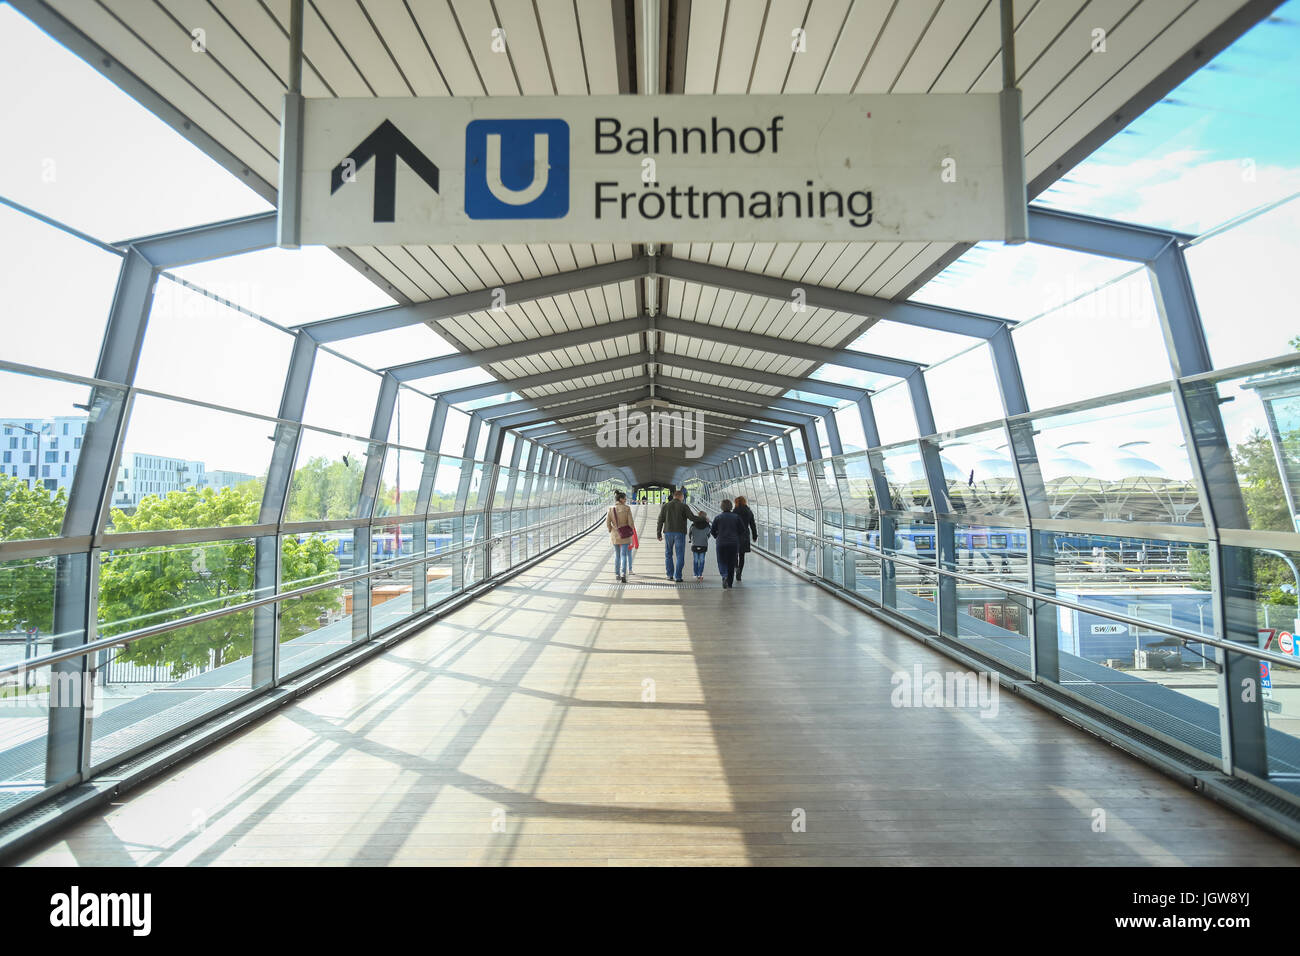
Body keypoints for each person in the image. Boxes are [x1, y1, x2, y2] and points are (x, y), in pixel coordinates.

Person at [656, 488, 694, 583]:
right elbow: (692, 517)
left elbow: (660, 520)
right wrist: (703, 519)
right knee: (680, 555)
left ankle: (669, 575)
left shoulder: (665, 506)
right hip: (680, 533)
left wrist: (658, 533)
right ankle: (678, 576)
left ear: (674, 496)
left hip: (668, 532)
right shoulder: (684, 506)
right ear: (681, 496)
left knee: (668, 554)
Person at [710, 499, 747, 589]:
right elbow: (742, 530)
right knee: (731, 562)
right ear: (731, 507)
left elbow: (712, 530)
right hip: (733, 543)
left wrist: (717, 536)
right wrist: (736, 536)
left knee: (721, 560)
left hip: (721, 542)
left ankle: (724, 576)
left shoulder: (718, 517)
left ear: (721, 507)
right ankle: (730, 583)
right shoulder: (736, 517)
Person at [607, 492, 634, 583]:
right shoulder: (627, 508)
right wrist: (631, 530)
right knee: (624, 555)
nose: (626, 500)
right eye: (625, 498)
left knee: (617, 555)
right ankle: (623, 574)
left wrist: (611, 530)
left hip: (615, 534)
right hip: (625, 535)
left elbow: (608, 523)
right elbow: (631, 523)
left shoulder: (611, 509)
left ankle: (617, 574)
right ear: (621, 499)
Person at [733, 495, 758, 583]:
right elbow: (752, 525)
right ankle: (739, 573)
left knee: (734, 553)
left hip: (735, 534)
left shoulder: (734, 512)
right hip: (745, 535)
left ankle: (736, 567)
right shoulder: (748, 511)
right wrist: (755, 536)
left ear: (736, 502)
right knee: (742, 555)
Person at [688, 509, 711, 582]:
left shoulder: (693, 525)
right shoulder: (707, 526)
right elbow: (709, 534)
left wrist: (691, 540)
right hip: (703, 544)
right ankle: (700, 574)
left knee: (695, 560)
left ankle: (695, 574)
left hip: (695, 544)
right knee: (702, 560)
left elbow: (690, 533)